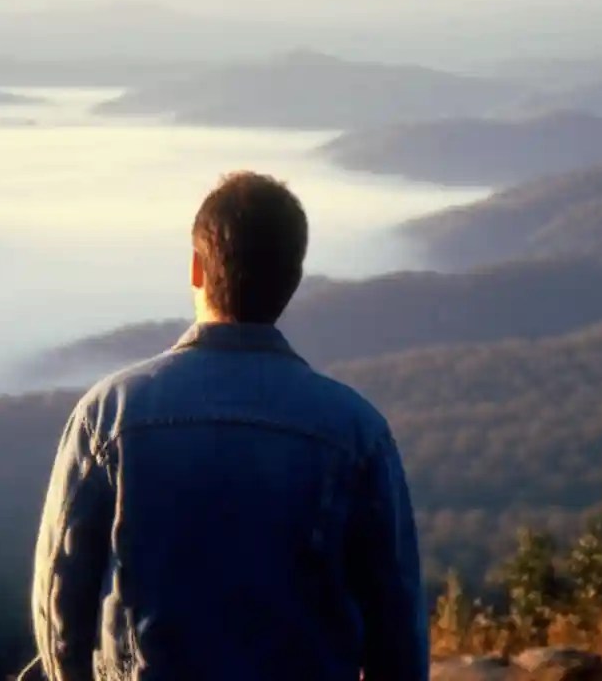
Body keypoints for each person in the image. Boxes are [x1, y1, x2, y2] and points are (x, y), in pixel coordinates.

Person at [25, 171, 427, 681]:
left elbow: (60, 600)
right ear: (293, 278)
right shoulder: (357, 432)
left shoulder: (110, 415)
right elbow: (396, 622)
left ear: (196, 267)